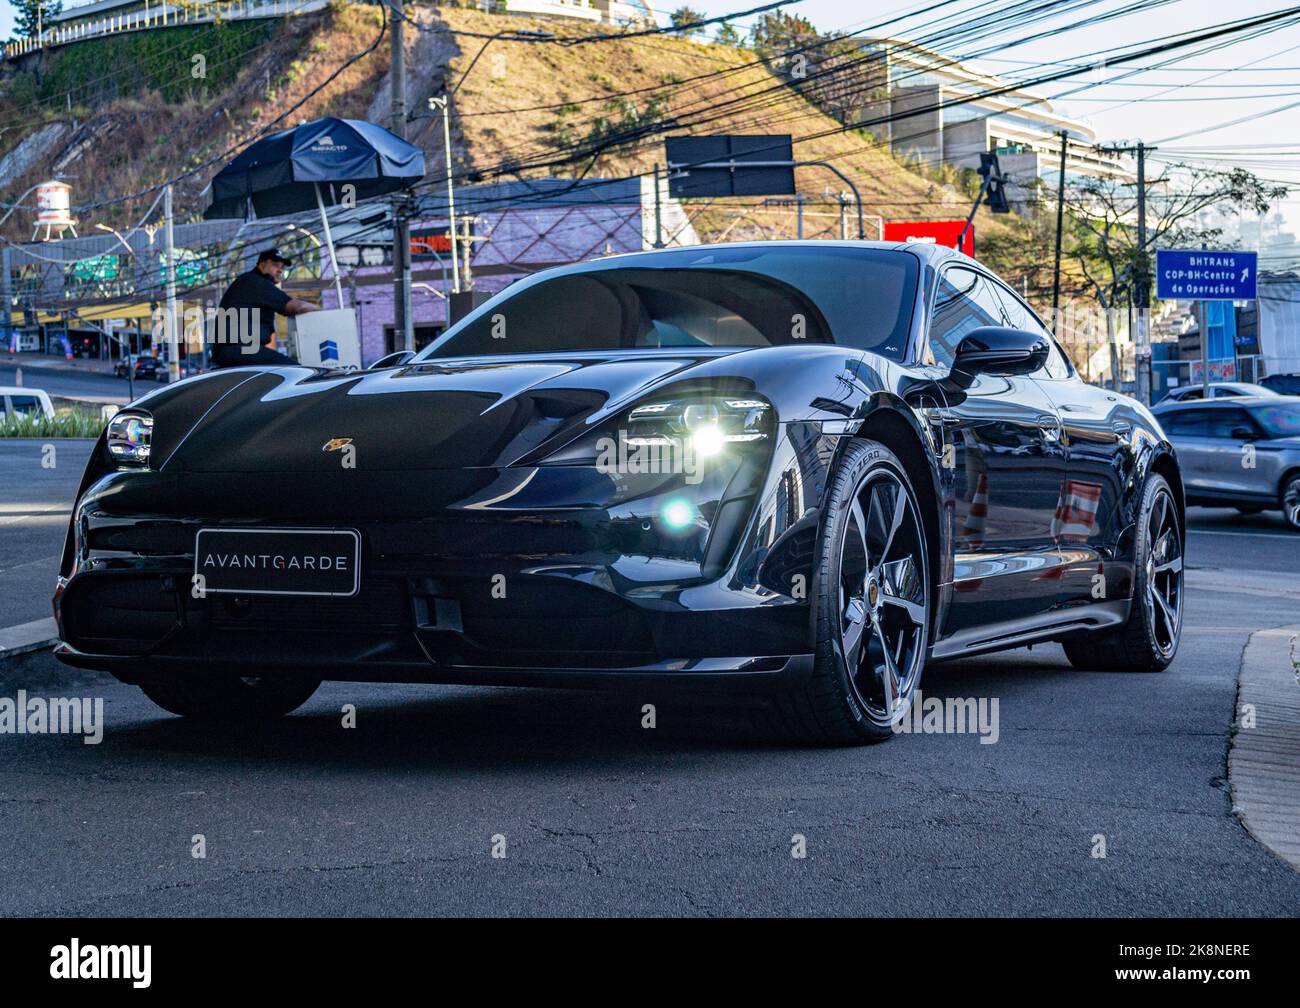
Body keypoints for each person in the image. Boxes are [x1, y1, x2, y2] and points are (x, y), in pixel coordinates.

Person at [210, 248, 320, 368]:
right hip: (239, 350)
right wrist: (319, 310)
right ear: (262, 265)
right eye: (275, 265)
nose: (280, 270)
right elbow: (295, 307)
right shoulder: (255, 282)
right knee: (297, 371)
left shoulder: (248, 280)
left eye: (282, 267)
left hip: (237, 350)